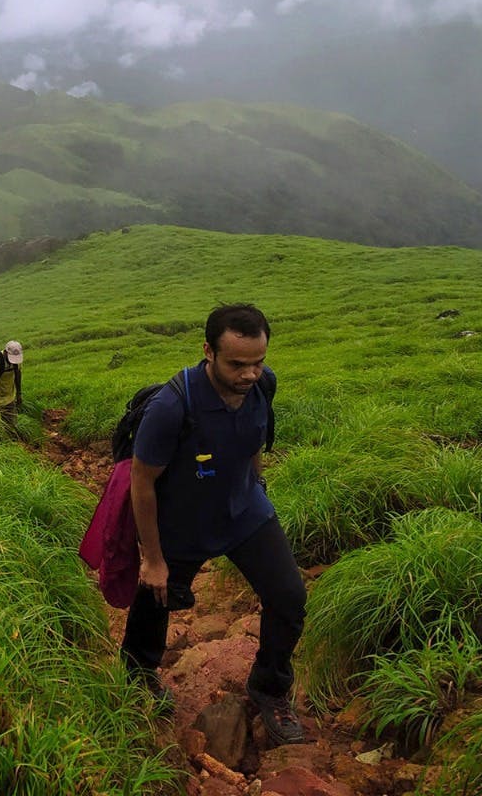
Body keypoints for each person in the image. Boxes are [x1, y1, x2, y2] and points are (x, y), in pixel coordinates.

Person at [123, 304, 307, 745]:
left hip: (244, 512)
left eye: (258, 361)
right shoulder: (172, 406)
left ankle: (269, 687)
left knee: (288, 597)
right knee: (157, 597)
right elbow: (142, 483)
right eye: (237, 364)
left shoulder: (264, 385)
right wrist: (152, 558)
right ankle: (138, 674)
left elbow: (254, 436)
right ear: (208, 351)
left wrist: (256, 481)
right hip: (184, 523)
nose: (250, 374)